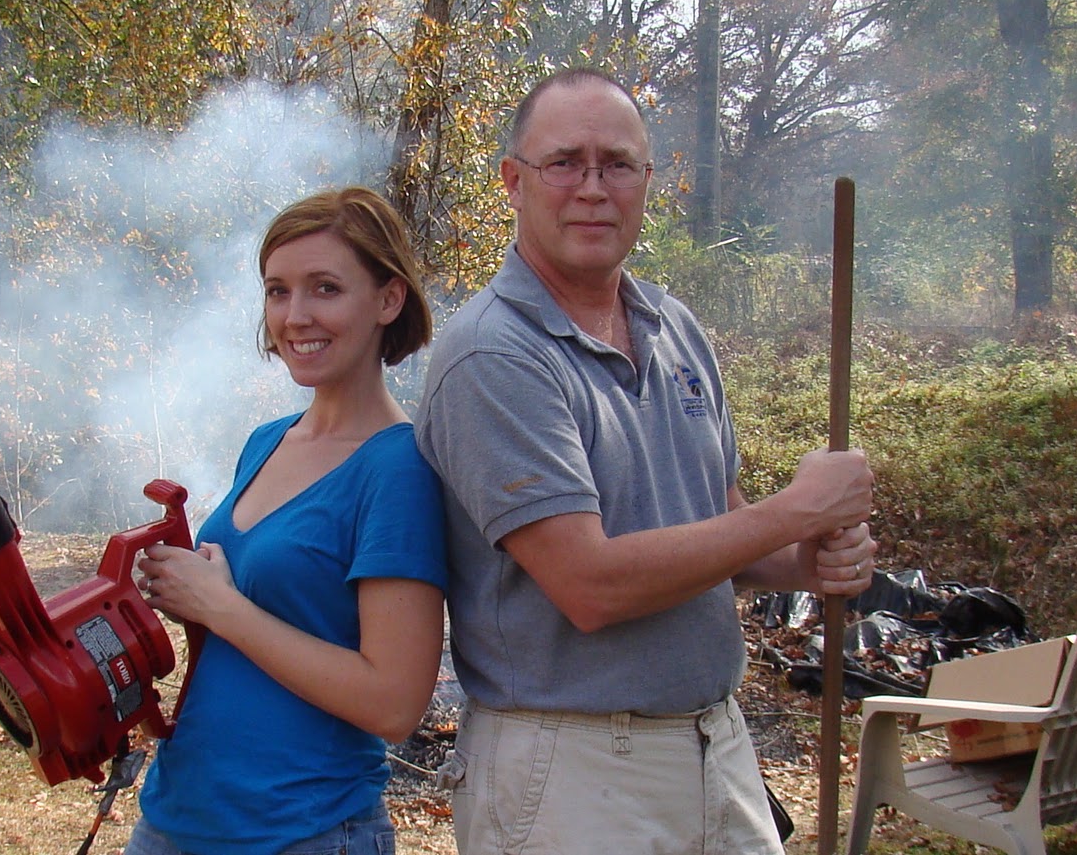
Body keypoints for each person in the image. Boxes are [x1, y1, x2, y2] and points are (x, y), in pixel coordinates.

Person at [414, 68, 878, 855]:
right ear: (513, 182)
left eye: (619, 164)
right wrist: (797, 509)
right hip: (570, 772)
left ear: (647, 182)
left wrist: (806, 558)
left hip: (715, 747)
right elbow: (589, 585)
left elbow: (722, 526)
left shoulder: (673, 327)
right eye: (565, 162)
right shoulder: (493, 353)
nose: (594, 188)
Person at [128, 186, 448, 855]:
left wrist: (222, 607)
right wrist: (178, 590)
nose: (295, 315)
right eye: (278, 291)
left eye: (325, 288)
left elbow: (394, 703)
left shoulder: (399, 467)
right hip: (175, 816)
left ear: (388, 300)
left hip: (304, 830)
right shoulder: (266, 440)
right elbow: (253, 622)